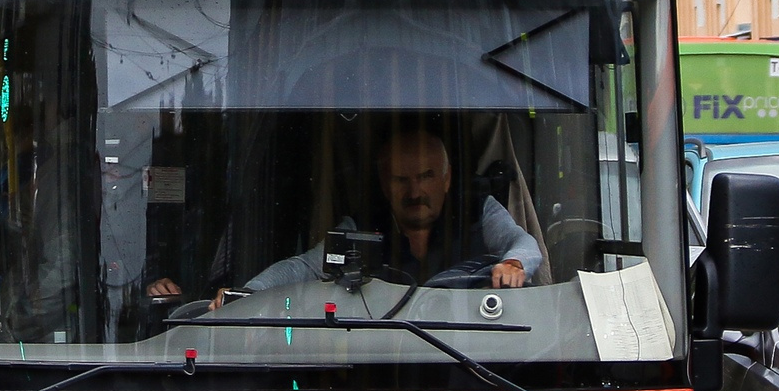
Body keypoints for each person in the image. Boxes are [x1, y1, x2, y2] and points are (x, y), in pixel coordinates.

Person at [153, 127, 542, 303]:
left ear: (447, 179)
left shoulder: (478, 207)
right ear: (383, 183)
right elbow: (304, 267)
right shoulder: (361, 225)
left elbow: (521, 242)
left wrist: (512, 262)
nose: (414, 191)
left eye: (426, 177)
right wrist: (248, 294)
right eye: (400, 180)